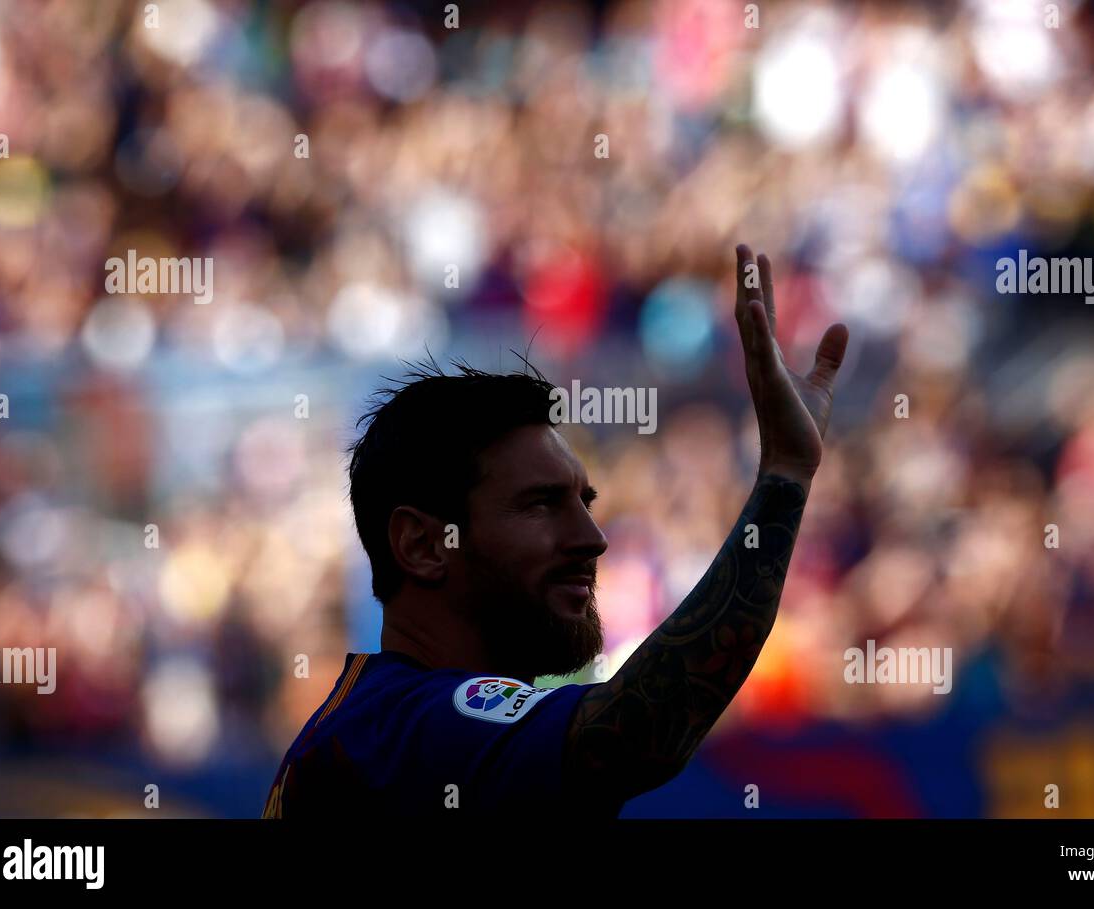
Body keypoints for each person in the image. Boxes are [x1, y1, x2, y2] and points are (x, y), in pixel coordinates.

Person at [262, 244, 849, 817]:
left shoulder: (423, 740)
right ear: (422, 546)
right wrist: (784, 475)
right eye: (541, 505)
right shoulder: (389, 733)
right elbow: (636, 732)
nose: (593, 539)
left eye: (584, 503)